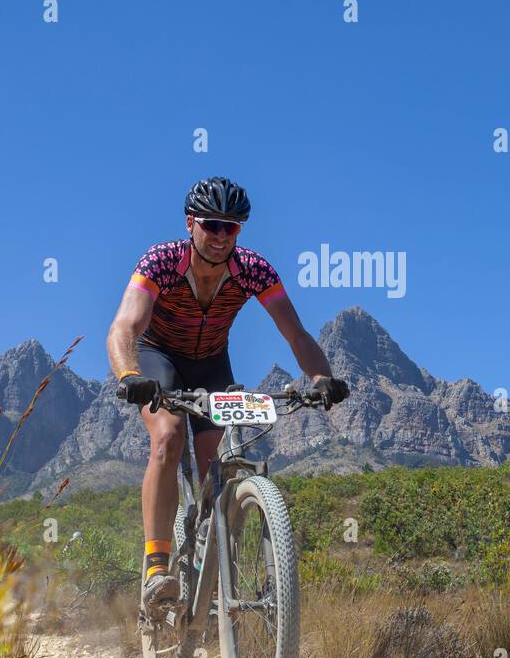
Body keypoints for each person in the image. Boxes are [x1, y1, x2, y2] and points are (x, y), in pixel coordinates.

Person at [106, 176, 349, 614]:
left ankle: (209, 551)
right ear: (190, 224)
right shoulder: (162, 261)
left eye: (231, 228)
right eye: (212, 225)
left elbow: (294, 332)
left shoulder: (253, 269)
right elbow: (125, 326)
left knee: (213, 468)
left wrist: (320, 379)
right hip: (158, 356)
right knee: (168, 436)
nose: (221, 236)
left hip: (211, 363)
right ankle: (157, 566)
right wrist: (129, 374)